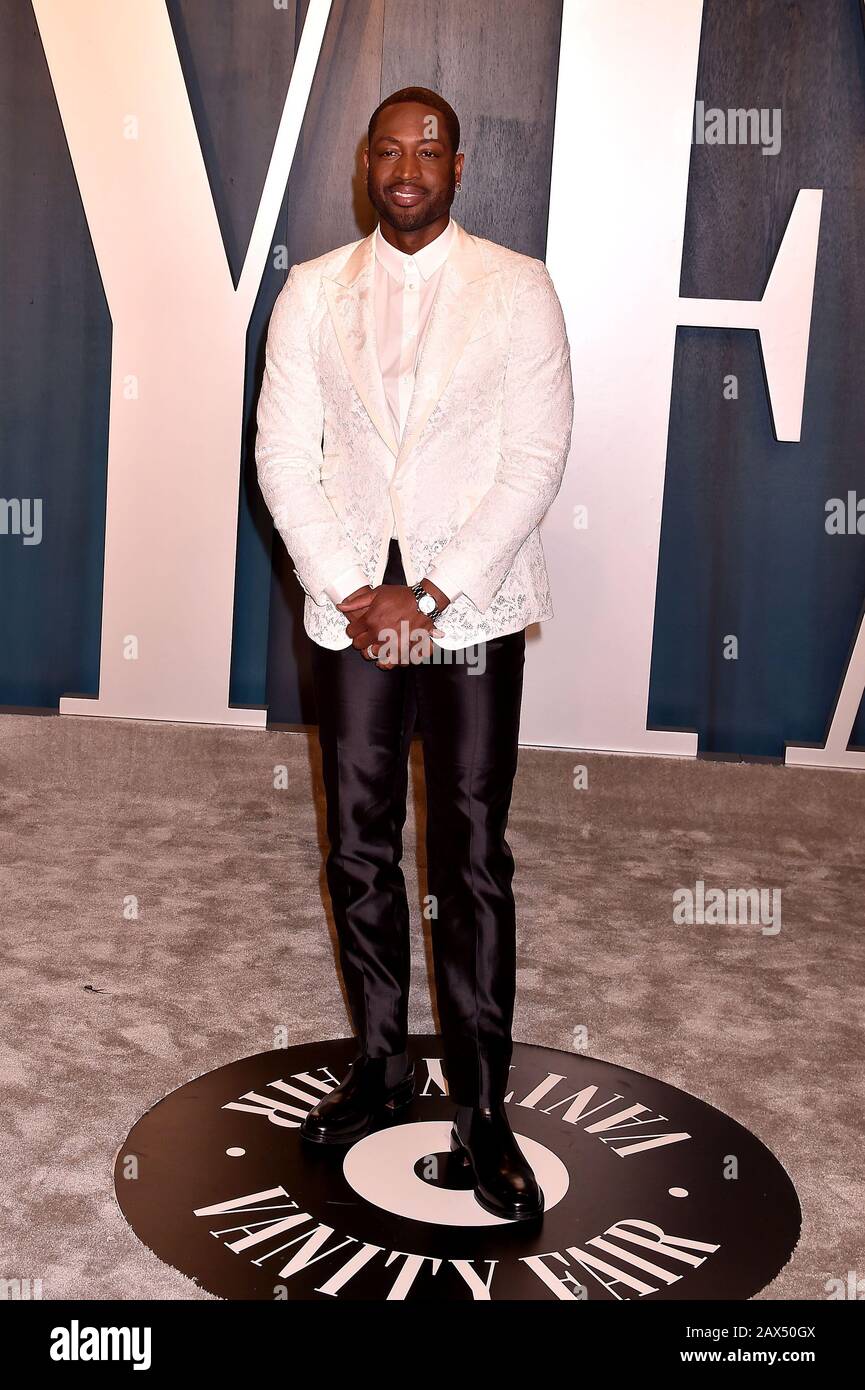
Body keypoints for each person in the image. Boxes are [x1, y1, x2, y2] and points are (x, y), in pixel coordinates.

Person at [255, 86, 574, 1221]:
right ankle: (383, 1062)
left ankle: (484, 1109)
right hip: (350, 612)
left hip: (470, 612)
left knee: (472, 850)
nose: (404, 168)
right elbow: (285, 458)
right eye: (385, 150)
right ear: (362, 163)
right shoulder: (307, 294)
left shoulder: (519, 288)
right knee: (357, 842)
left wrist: (429, 595)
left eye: (425, 150)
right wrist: (355, 592)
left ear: (457, 164)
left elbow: (534, 458)